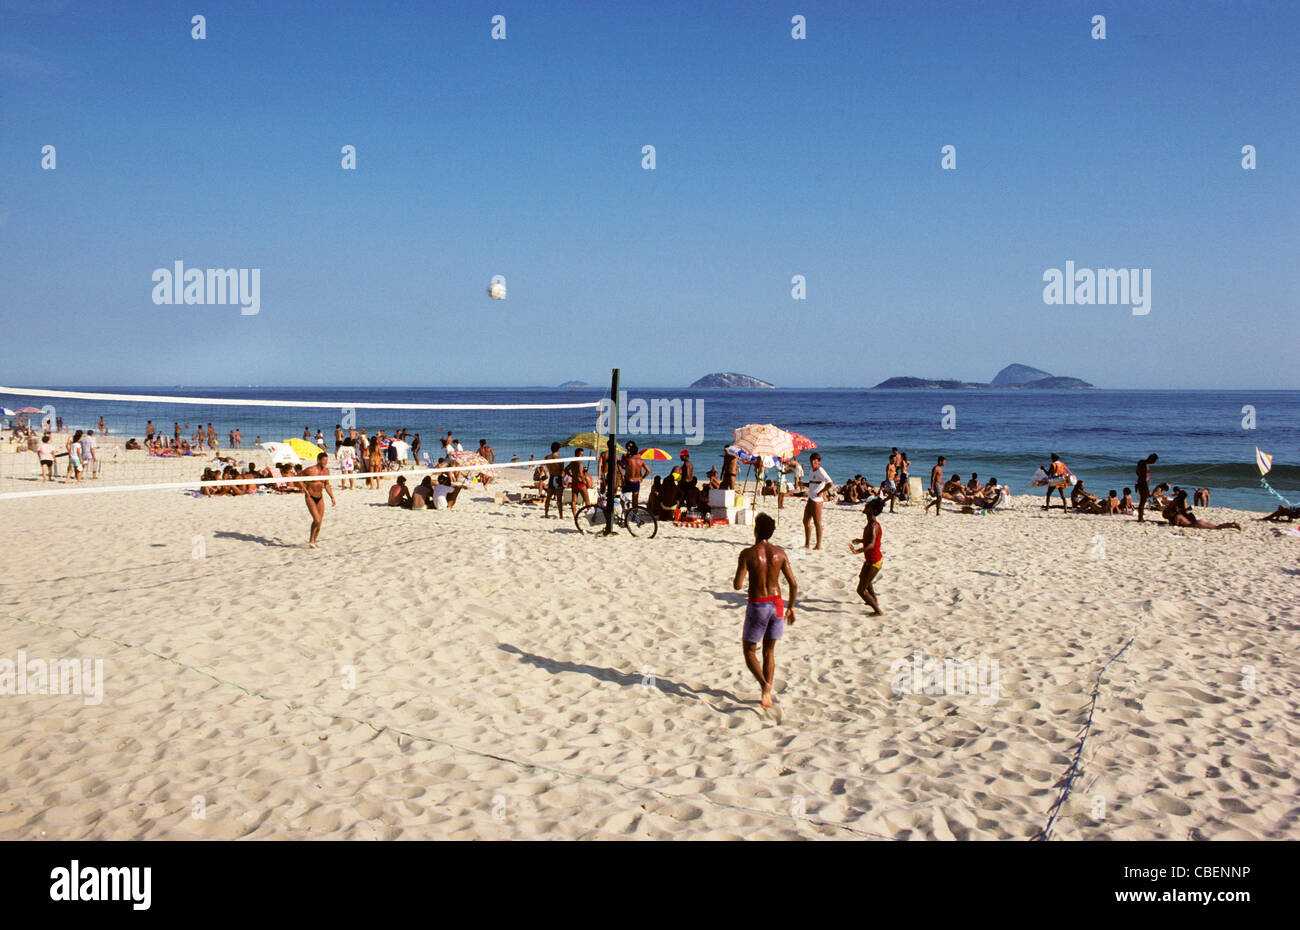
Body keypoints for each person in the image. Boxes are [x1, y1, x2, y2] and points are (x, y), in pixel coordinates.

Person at [732, 513, 798, 711]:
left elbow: (737, 585)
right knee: (769, 651)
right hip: (777, 603)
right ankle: (766, 693)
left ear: (755, 530)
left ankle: (764, 684)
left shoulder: (748, 553)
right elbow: (793, 585)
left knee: (749, 651)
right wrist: (792, 607)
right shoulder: (780, 553)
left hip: (758, 604)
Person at [848, 498, 885, 615]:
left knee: (860, 590)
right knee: (863, 578)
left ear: (873, 510)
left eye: (868, 505)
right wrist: (860, 540)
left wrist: (857, 551)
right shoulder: (870, 524)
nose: (865, 506)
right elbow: (870, 541)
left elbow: (872, 545)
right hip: (870, 559)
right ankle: (873, 600)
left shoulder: (873, 526)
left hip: (874, 561)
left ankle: (877, 611)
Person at [299, 452, 337, 548]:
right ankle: (311, 540)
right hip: (310, 496)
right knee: (317, 519)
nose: (325, 462)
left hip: (320, 497)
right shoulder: (310, 470)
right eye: (324, 460)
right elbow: (298, 478)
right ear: (318, 460)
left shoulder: (326, 471)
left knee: (319, 522)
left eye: (326, 461)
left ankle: (313, 542)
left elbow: (327, 484)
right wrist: (305, 491)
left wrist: (332, 497)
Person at [1162, 489, 1240, 531]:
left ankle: (1233, 524)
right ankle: (1233, 524)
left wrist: (1170, 520)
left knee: (1216, 527)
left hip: (1195, 524)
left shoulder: (1177, 516)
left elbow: (1175, 524)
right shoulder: (1178, 513)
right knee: (1216, 526)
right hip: (1195, 521)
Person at [803, 452, 832, 549]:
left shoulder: (821, 471)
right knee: (805, 521)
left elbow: (830, 483)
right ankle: (807, 544)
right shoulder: (812, 470)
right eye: (811, 460)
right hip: (810, 498)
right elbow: (812, 484)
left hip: (817, 500)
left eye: (814, 460)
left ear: (818, 462)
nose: (812, 462)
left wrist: (822, 491)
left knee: (817, 522)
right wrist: (803, 484)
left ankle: (818, 545)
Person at [622, 440, 648, 508]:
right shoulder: (641, 460)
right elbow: (648, 470)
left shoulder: (628, 459)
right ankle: (634, 516)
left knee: (624, 498)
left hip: (628, 481)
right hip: (636, 482)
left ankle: (625, 511)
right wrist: (642, 477)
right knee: (635, 500)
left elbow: (622, 465)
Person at [543, 442, 566, 518]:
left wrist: (546, 473)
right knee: (559, 499)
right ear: (558, 449)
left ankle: (546, 514)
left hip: (551, 477)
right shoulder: (560, 460)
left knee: (548, 497)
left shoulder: (546, 457)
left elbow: (542, 466)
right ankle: (561, 515)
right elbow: (562, 472)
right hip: (558, 478)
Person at [566, 449, 591, 517]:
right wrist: (584, 481)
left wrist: (571, 475)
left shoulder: (572, 462)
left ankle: (574, 515)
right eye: (581, 455)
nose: (582, 456)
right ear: (577, 454)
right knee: (587, 500)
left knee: (574, 500)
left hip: (574, 483)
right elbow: (580, 474)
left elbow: (566, 469)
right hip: (580, 483)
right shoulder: (580, 463)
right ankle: (590, 513)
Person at [1135, 454, 1158, 523]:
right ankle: (1140, 518)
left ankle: (1140, 517)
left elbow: (1137, 472)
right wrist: (1148, 490)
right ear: (1152, 459)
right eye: (1154, 461)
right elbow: (1145, 478)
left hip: (1139, 482)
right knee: (1143, 501)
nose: (1154, 462)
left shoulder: (1140, 462)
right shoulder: (1146, 465)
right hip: (1144, 484)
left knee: (1142, 501)